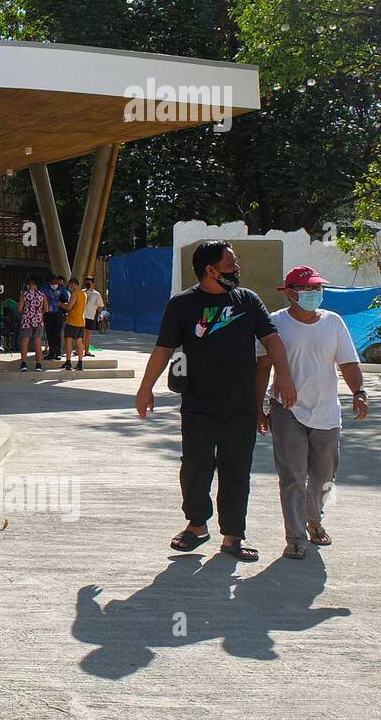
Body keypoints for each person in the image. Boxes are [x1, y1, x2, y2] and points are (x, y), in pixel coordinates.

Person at [135, 240, 296, 563]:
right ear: (210, 270)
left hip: (241, 404)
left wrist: (284, 376)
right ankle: (196, 526)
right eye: (230, 263)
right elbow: (164, 349)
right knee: (195, 467)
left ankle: (233, 536)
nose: (237, 268)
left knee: (237, 470)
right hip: (198, 404)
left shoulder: (247, 300)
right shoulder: (182, 305)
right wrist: (145, 388)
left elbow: (271, 339)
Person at [255, 266, 368, 560]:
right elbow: (263, 367)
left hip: (326, 413)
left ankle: (314, 520)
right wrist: (258, 408)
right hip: (286, 411)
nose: (314, 294)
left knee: (323, 475)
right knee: (292, 476)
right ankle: (295, 536)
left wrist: (359, 392)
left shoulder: (333, 322)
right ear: (290, 293)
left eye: (317, 288)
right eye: (307, 290)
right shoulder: (274, 324)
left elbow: (348, 362)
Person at [16, 275, 48, 371]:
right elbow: (46, 308)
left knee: (24, 343)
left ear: (29, 284)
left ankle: (24, 364)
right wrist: (38, 313)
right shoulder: (42, 295)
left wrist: (27, 312)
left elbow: (20, 308)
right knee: (38, 343)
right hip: (38, 320)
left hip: (27, 320)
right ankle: (38, 365)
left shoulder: (24, 294)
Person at [41, 273, 69, 361]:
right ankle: (51, 353)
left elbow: (65, 299)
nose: (54, 284)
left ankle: (58, 353)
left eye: (56, 281)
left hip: (58, 313)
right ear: (49, 282)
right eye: (52, 282)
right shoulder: (44, 288)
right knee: (49, 334)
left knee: (57, 333)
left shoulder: (62, 288)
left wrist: (60, 298)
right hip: (48, 313)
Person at [61, 278, 87, 371]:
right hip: (81, 321)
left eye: (70, 285)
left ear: (73, 284)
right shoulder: (84, 294)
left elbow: (69, 306)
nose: (70, 287)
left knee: (68, 340)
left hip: (72, 321)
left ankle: (68, 362)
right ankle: (80, 363)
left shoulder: (75, 293)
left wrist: (61, 304)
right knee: (79, 342)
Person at [81, 277, 104, 353]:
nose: (87, 284)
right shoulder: (82, 292)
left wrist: (100, 314)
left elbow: (100, 305)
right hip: (80, 316)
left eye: (89, 283)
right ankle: (80, 350)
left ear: (93, 284)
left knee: (87, 334)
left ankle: (86, 350)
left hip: (90, 316)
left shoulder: (96, 294)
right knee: (80, 334)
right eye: (86, 282)